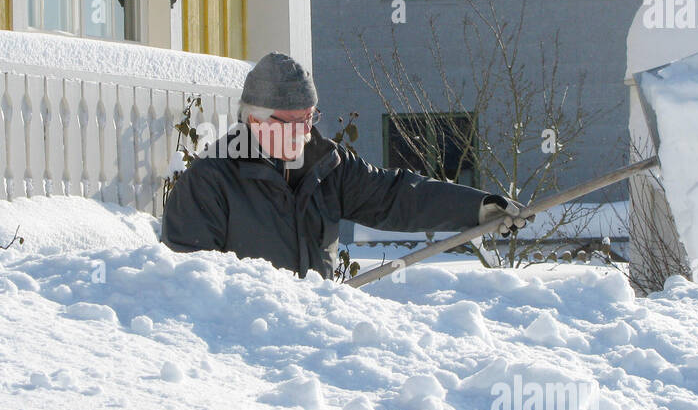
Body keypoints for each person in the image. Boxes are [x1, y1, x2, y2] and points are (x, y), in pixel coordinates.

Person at [160, 51, 526, 280]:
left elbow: (396, 196)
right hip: (248, 355)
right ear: (255, 121)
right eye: (293, 121)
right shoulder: (209, 183)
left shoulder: (327, 166)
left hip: (315, 347)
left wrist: (476, 208)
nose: (306, 131)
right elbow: (191, 286)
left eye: (310, 117)